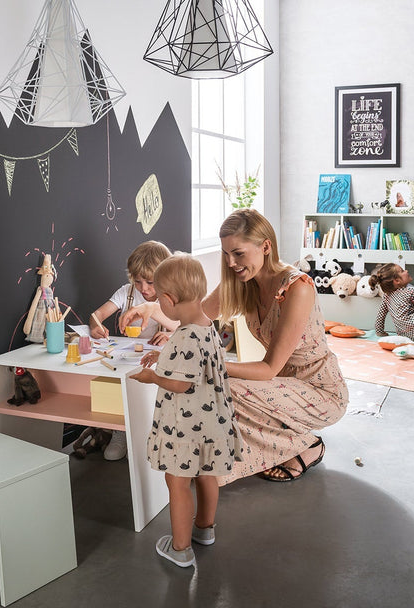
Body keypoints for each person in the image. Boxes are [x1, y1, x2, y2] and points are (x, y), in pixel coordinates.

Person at [123, 209, 348, 484]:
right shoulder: (242, 282)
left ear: (266, 247)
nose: (230, 262)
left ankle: (305, 444)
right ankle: (219, 461)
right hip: (282, 384)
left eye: (238, 253)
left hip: (319, 390)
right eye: (225, 254)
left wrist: (207, 366)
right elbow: (196, 316)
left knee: (217, 387)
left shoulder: (297, 287)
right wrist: (151, 308)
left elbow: (268, 369)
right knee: (208, 388)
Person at [129, 253, 242, 568]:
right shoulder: (206, 326)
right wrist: (161, 358)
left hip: (184, 428)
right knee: (207, 475)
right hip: (212, 423)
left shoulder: (183, 335)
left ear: (167, 299)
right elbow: (196, 365)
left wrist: (152, 376)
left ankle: (179, 548)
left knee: (177, 482)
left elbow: (179, 385)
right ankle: (204, 530)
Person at [87, 240, 177, 460]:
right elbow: (96, 315)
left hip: (161, 360)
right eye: (138, 282)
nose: (144, 289)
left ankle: (151, 437)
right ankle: (121, 434)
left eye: (150, 282)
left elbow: (186, 326)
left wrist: (170, 334)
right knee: (121, 390)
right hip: (130, 356)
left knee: (154, 401)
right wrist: (95, 326)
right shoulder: (127, 293)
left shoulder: (173, 295)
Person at [370, 263, 414, 341]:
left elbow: (380, 316)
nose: (406, 271)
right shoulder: (410, 292)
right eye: (402, 271)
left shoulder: (387, 296)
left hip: (403, 336)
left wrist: (380, 332)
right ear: (397, 280)